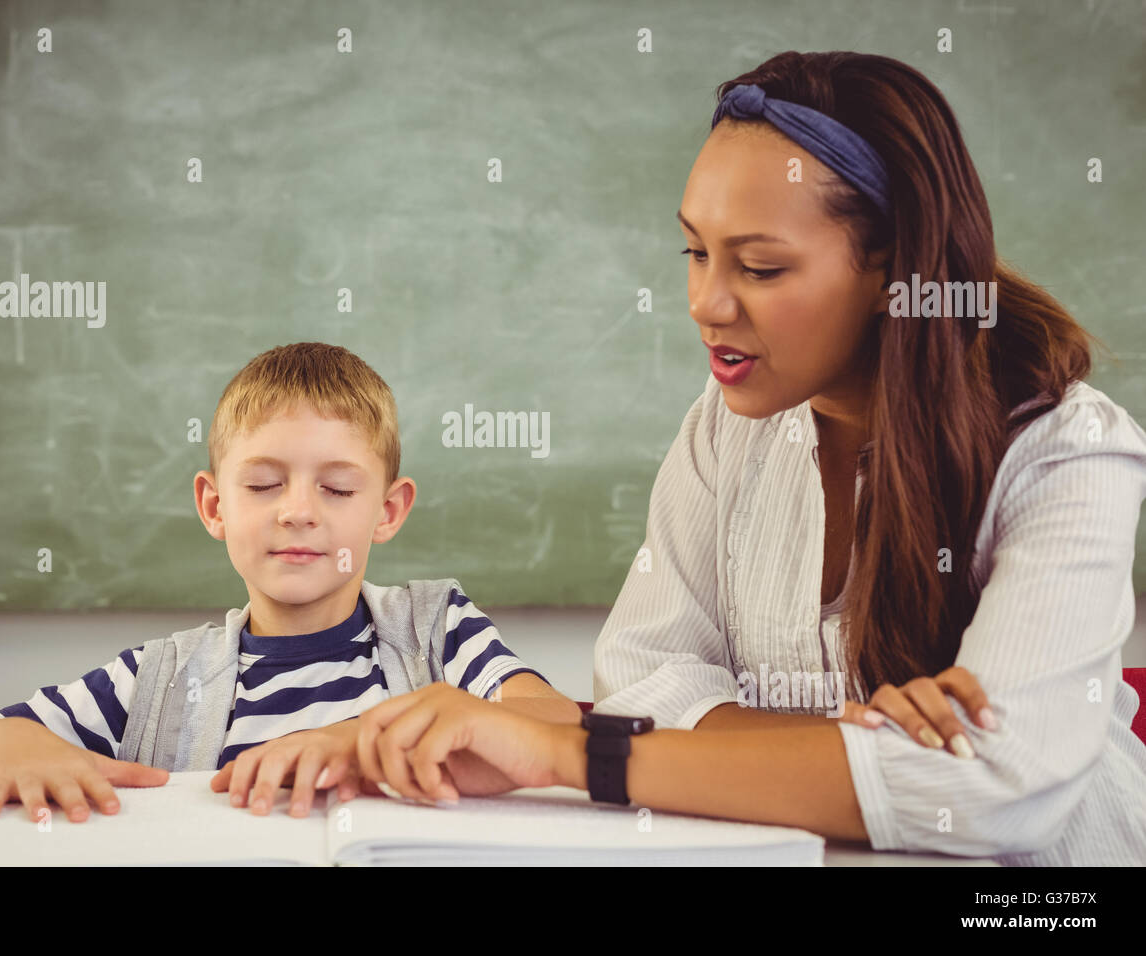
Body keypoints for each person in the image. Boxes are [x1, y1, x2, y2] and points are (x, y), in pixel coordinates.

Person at [349, 51, 1146, 866]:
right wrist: (842, 750)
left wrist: (572, 755)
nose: (705, 304)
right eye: (694, 252)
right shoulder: (727, 423)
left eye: (760, 267)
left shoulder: (1069, 451)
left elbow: (993, 790)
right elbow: (642, 677)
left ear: (892, 270)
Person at [0, 343, 581, 823]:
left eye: (337, 489)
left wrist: (366, 735)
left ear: (387, 511)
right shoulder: (159, 683)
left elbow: (557, 724)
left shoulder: (437, 631)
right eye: (264, 483)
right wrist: (4, 742)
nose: (298, 510)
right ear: (215, 506)